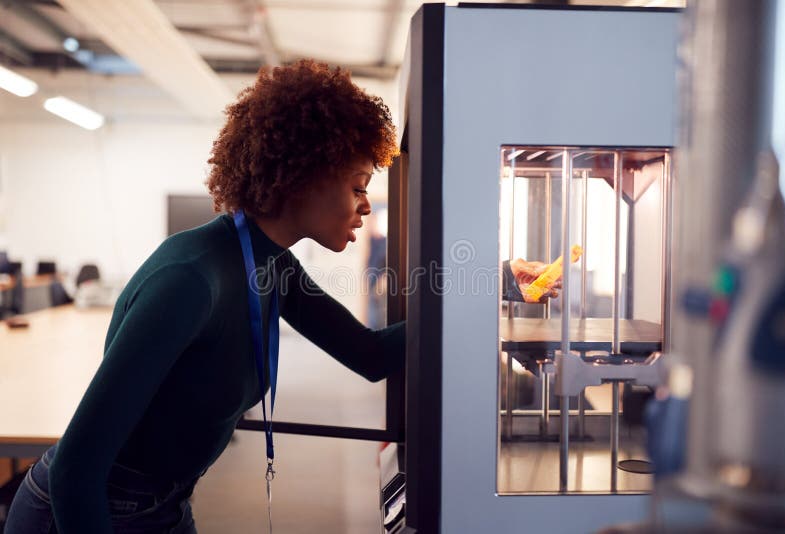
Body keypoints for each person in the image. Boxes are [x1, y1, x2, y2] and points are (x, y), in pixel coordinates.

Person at [5, 60, 558, 533]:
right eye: (359, 185)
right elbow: (79, 464)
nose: (367, 206)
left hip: (165, 505)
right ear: (304, 176)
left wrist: (497, 286)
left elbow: (368, 355)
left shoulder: (273, 266)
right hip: (85, 512)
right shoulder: (191, 279)